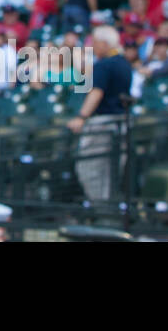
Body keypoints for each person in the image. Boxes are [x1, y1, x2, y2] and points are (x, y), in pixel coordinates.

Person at [68, 26, 131, 202]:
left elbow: (96, 92)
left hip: (103, 123)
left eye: (95, 43)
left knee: (89, 168)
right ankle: (108, 207)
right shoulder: (124, 63)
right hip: (121, 121)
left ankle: (101, 208)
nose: (93, 47)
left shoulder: (105, 64)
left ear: (105, 43)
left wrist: (81, 117)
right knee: (111, 170)